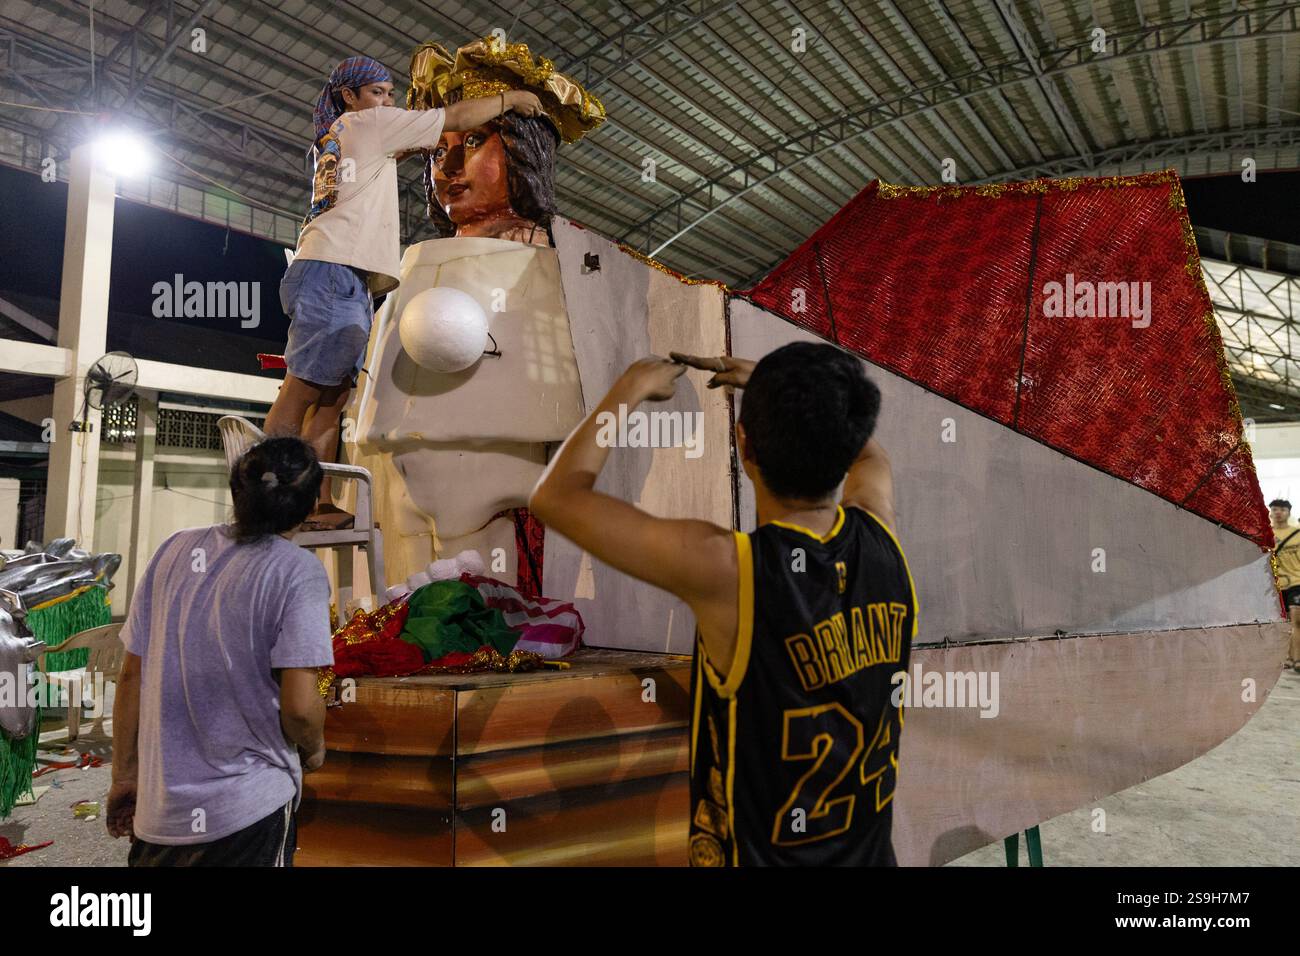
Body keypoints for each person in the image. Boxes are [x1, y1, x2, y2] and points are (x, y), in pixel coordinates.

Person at [529, 343, 917, 866]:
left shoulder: (729, 571)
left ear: (744, 445)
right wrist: (790, 397)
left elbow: (555, 498)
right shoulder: (881, 530)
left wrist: (631, 388)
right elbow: (872, 454)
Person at [262, 54, 545, 530]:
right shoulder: (367, 125)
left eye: (392, 95)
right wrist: (509, 99)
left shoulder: (344, 136)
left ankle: (317, 502)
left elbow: (419, 140)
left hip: (342, 274)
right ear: (350, 97)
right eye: (378, 93)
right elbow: (452, 119)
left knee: (332, 399)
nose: (388, 102)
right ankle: (269, 497)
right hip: (334, 270)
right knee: (300, 393)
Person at [107, 437, 334, 866]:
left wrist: (124, 774)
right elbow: (301, 707)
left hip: (160, 816)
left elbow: (131, 677)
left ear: (236, 491)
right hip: (246, 811)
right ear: (309, 508)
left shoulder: (173, 551)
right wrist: (316, 748)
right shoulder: (298, 572)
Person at [1268, 498, 1300, 671]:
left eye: (1282, 509)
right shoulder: (1267, 535)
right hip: (1277, 586)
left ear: (1288, 512)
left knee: (1296, 621)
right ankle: (1288, 658)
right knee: (1286, 624)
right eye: (1275, 509)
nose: (1278, 512)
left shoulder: (1297, 533)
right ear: (1271, 512)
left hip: (1296, 581)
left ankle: (1297, 659)